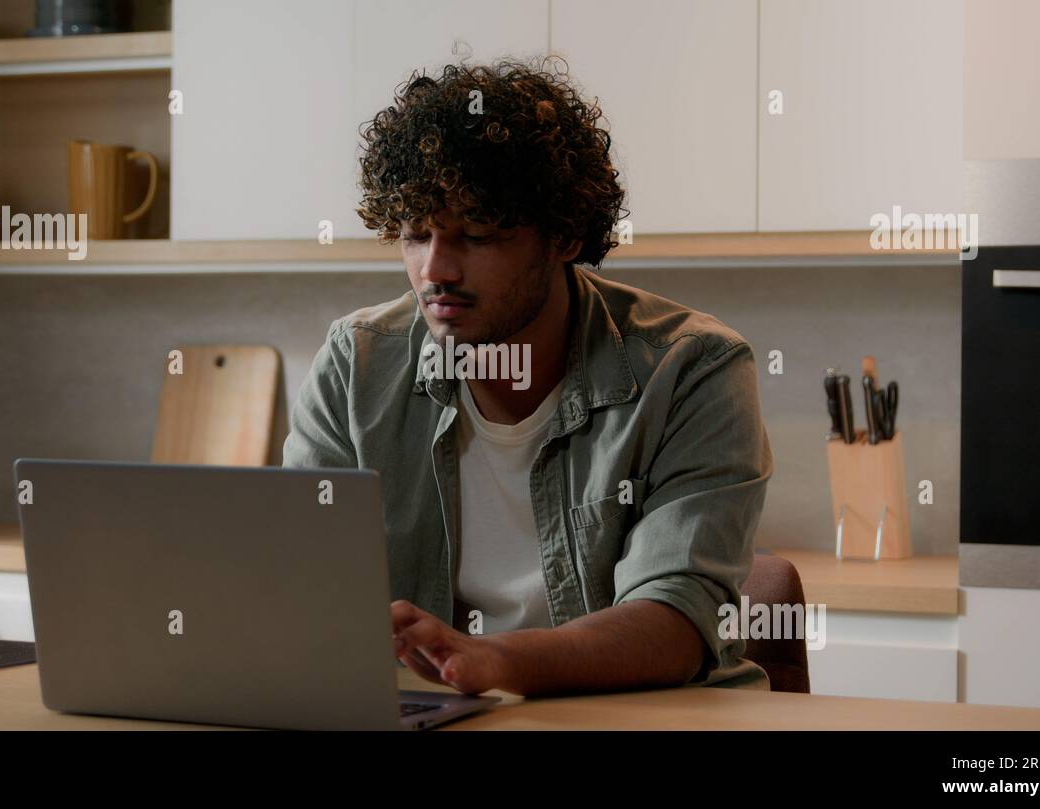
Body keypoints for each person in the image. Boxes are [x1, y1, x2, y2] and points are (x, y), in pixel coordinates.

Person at [284, 57, 772, 696]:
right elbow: (299, 580)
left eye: (477, 235)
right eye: (414, 233)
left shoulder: (691, 368)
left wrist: (494, 662)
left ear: (564, 236)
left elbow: (677, 622)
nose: (436, 269)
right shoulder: (356, 365)